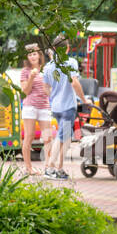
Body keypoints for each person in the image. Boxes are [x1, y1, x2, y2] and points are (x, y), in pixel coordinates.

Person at [41, 34, 86, 180]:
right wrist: (84, 100)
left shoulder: (48, 67)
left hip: (56, 107)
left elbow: (45, 88)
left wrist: (54, 97)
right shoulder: (70, 62)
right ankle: (49, 167)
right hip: (68, 107)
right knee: (61, 137)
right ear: (67, 48)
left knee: (66, 138)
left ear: (54, 48)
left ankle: (60, 169)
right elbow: (75, 83)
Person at [18, 43, 52, 176]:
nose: (32, 56)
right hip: (30, 107)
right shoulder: (25, 71)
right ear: (27, 57)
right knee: (29, 136)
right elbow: (25, 91)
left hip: (44, 106)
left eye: (34, 53)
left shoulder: (46, 69)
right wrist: (31, 77)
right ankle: (29, 168)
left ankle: (48, 167)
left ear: (39, 55)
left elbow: (49, 90)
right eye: (30, 54)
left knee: (47, 138)